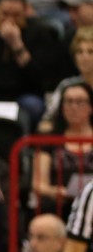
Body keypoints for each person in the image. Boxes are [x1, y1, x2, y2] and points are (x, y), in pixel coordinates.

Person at [33, 80, 93, 215]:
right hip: (60, 205)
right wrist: (54, 191)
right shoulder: (49, 140)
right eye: (69, 102)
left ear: (91, 107)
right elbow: (38, 184)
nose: (74, 107)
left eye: (80, 102)